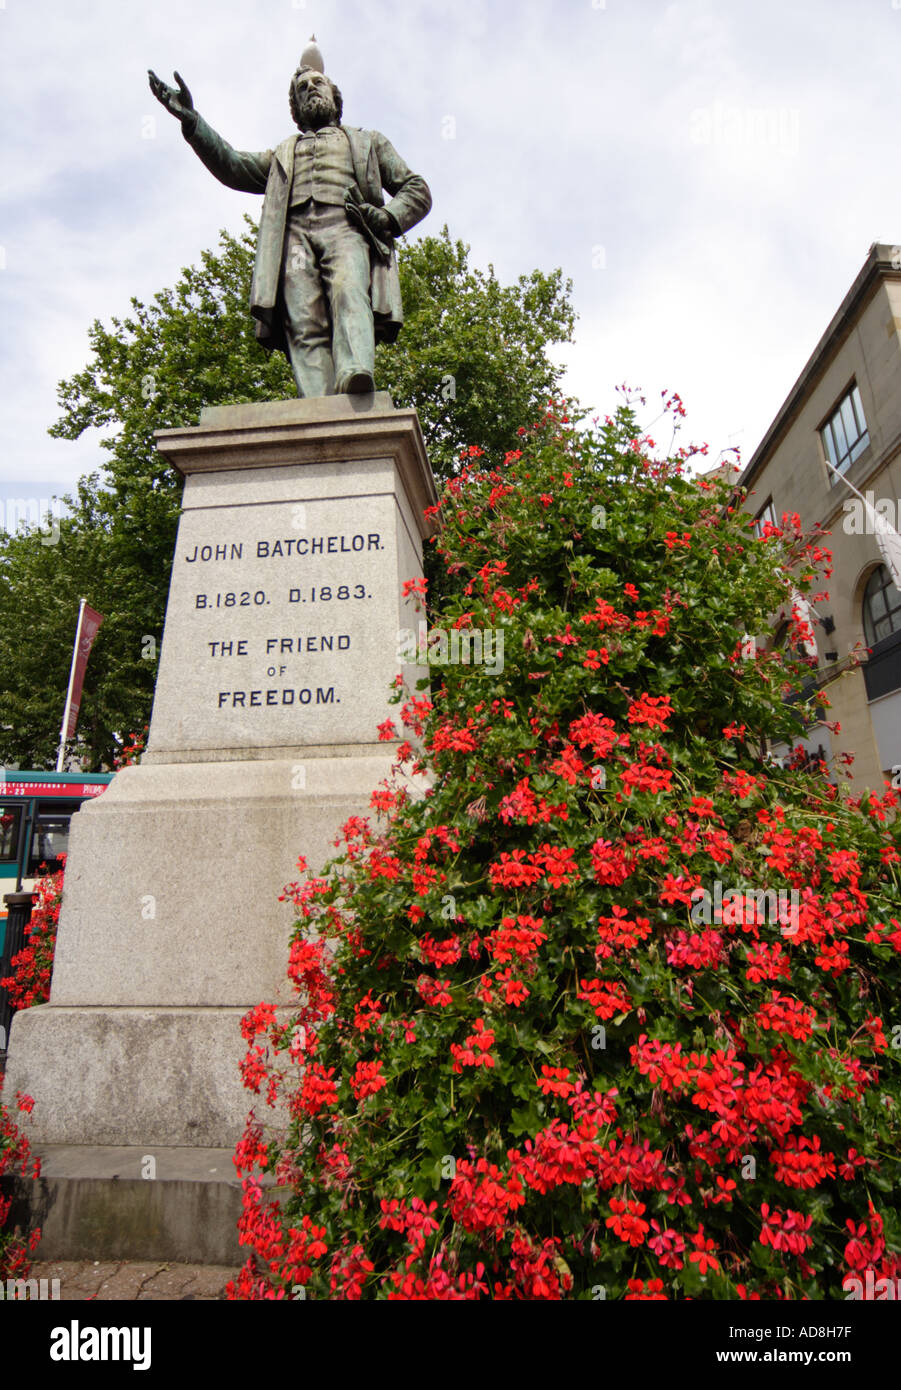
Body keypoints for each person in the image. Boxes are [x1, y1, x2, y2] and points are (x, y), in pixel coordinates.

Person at [148, 42, 432, 398]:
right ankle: (317, 398)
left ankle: (355, 371)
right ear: (296, 109)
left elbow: (416, 188)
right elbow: (233, 165)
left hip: (346, 228)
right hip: (294, 237)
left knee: (348, 292)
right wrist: (192, 122)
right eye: (302, 89)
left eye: (317, 83)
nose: (310, 88)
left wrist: (388, 215)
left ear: (335, 96)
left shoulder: (367, 141)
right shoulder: (283, 153)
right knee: (302, 317)